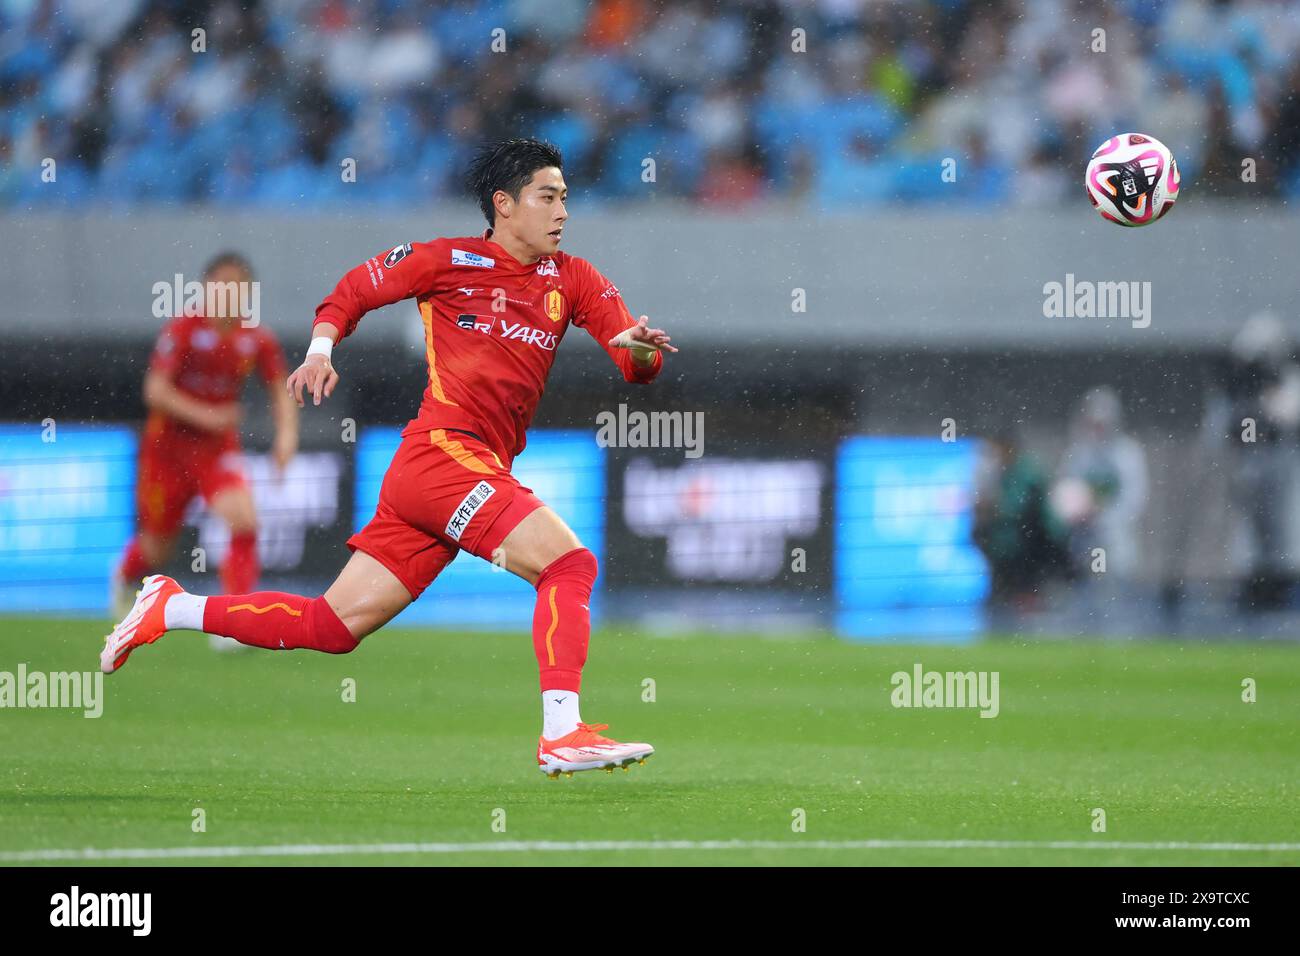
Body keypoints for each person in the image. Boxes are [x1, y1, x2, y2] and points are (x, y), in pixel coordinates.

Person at [102, 139, 677, 778]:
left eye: (565, 197)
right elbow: (354, 290)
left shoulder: (574, 278)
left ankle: (170, 606)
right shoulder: (447, 260)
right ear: (504, 205)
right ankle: (562, 730)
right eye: (548, 196)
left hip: (449, 474)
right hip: (443, 456)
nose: (562, 211)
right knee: (569, 564)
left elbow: (631, 359)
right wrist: (321, 350)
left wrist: (644, 349)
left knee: (331, 625)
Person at [113, 252, 297, 626]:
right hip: (167, 450)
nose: (229, 292)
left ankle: (236, 620)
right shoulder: (182, 331)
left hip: (216, 451)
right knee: (157, 546)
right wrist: (208, 415)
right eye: (222, 283)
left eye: (238, 285)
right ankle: (121, 580)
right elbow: (155, 391)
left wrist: (287, 437)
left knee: (245, 521)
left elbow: (280, 389)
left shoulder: (256, 338)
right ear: (206, 288)